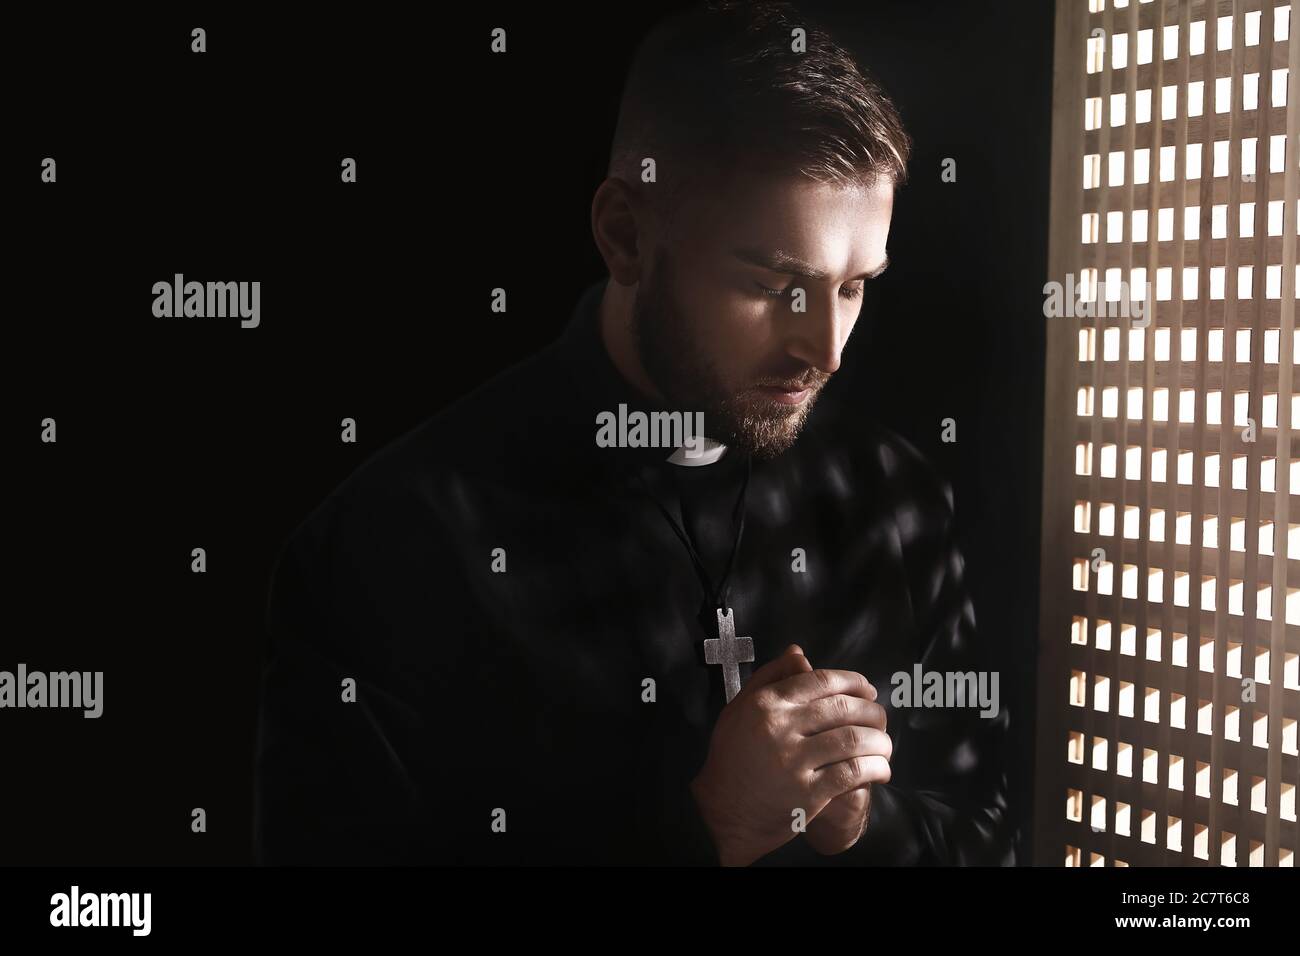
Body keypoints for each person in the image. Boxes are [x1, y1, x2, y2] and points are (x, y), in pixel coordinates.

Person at [253, 0, 1014, 865]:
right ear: (625, 238)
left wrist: (858, 827)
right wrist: (703, 829)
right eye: (772, 284)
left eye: (852, 286)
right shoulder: (389, 545)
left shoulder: (893, 501)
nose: (825, 350)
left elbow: (990, 834)